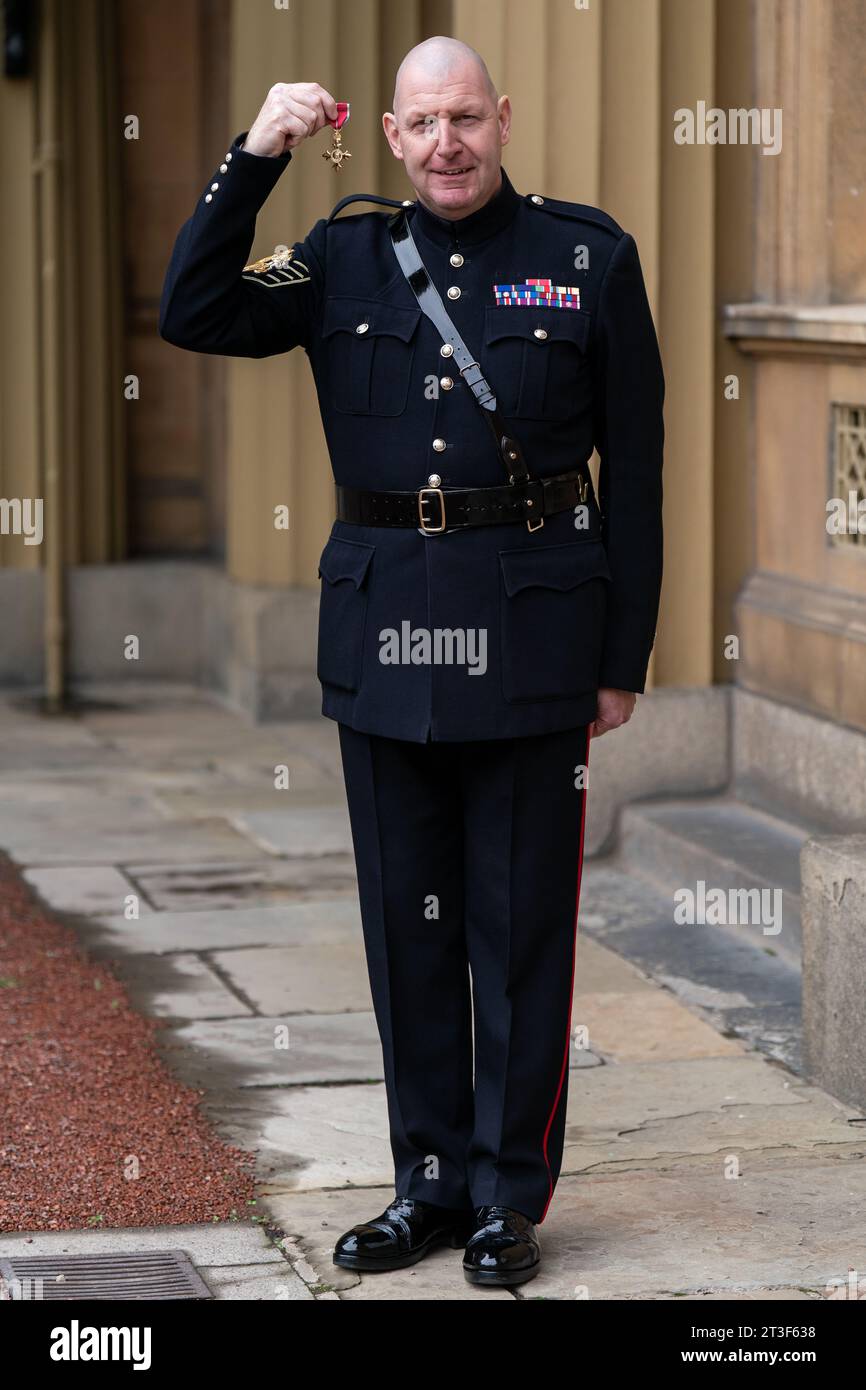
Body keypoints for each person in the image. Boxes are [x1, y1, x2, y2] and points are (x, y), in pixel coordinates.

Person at [159, 35, 664, 1289]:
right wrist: (254, 156)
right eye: (421, 123)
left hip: (536, 641)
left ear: (503, 120)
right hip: (384, 637)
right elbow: (194, 310)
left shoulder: (585, 258)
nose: (446, 143)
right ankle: (424, 1186)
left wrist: (622, 658)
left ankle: (506, 1198)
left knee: (519, 932)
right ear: (388, 136)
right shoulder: (338, 254)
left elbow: (638, 479)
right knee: (408, 930)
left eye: (466, 119)